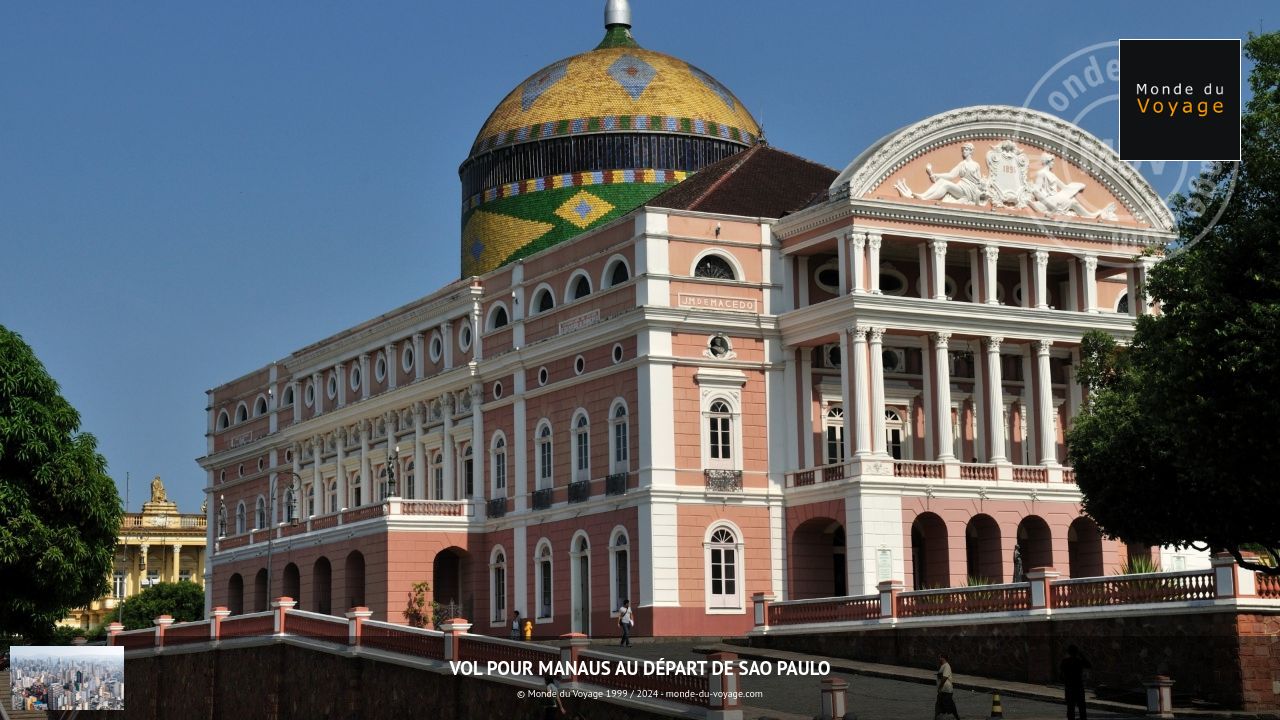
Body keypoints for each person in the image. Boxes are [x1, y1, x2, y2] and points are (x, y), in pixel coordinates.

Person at [1061, 644, 1092, 720]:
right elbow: (1089, 665)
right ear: (1076, 652)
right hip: (1078, 687)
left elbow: (1061, 674)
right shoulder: (1079, 661)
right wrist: (1082, 655)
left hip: (1069, 688)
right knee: (1082, 708)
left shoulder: (1064, 661)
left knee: (1070, 709)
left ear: (1068, 652)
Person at [935, 653, 960, 720]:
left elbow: (945, 677)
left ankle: (956, 717)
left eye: (940, 657)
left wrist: (940, 686)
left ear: (943, 658)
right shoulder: (942, 666)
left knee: (949, 706)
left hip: (946, 691)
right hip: (943, 691)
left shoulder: (946, 666)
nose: (939, 659)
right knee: (939, 706)